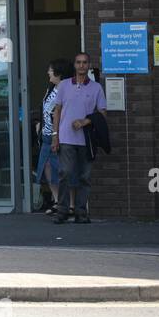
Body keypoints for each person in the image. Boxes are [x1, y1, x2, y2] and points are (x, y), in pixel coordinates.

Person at [52, 51, 106, 224]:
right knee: (65, 174)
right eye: (78, 62)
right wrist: (55, 136)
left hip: (87, 139)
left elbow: (102, 113)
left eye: (84, 62)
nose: (81, 65)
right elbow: (57, 111)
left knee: (85, 177)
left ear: (89, 65)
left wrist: (85, 121)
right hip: (66, 138)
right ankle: (62, 211)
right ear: (74, 65)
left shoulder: (96, 87)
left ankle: (81, 213)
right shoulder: (64, 85)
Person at [35, 58, 70, 214]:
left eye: (51, 69)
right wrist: (41, 125)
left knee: (60, 169)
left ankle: (67, 203)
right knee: (46, 167)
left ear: (59, 72)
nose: (48, 72)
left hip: (58, 136)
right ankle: (56, 200)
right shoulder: (51, 88)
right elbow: (46, 110)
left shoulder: (66, 89)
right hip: (46, 135)